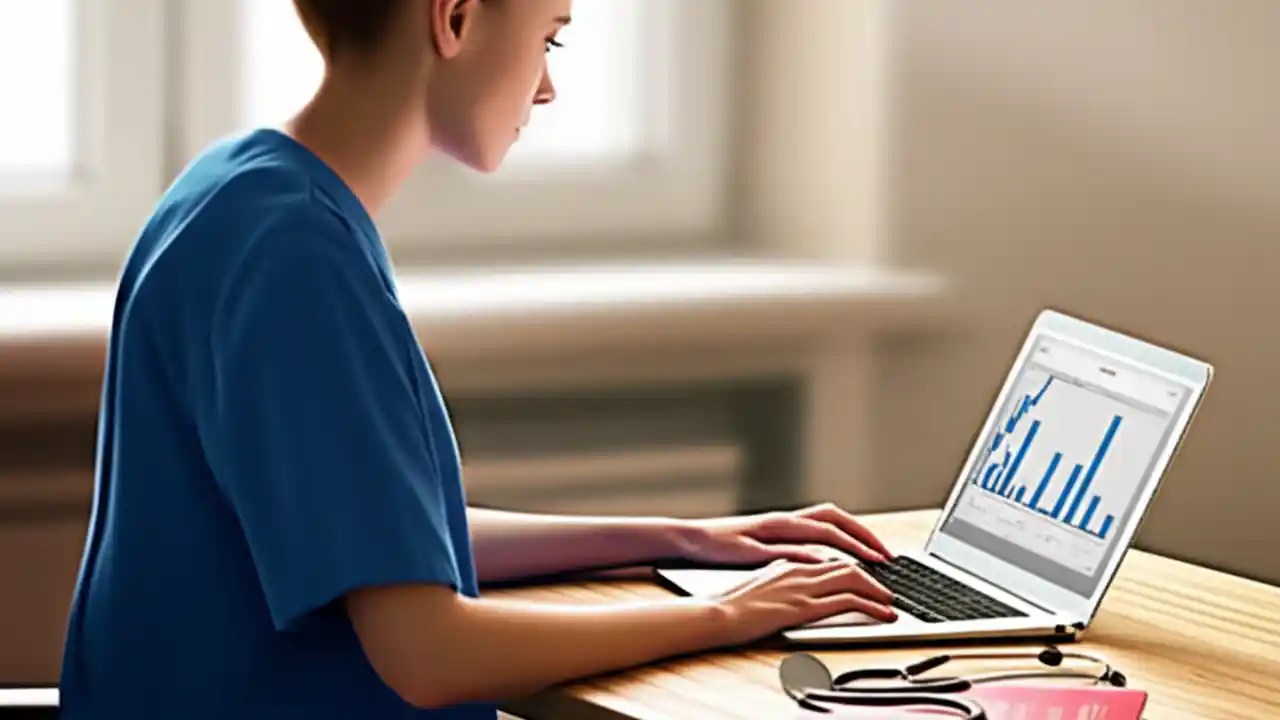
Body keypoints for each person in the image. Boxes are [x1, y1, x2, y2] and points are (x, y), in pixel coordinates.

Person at [58, 1, 898, 717]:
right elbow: (427, 652)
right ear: (455, 17)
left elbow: (382, 545)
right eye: (548, 38)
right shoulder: (295, 259)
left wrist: (686, 541)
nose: (547, 85)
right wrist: (727, 619)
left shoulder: (243, 188)